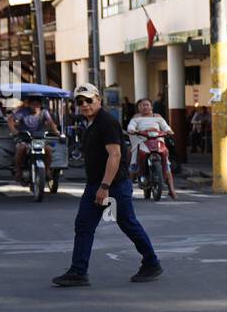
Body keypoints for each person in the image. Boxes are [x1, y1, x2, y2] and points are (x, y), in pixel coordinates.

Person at [52, 83, 161, 287]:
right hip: (96, 184)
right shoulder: (91, 123)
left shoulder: (106, 122)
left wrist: (104, 187)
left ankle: (152, 262)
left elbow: (116, 154)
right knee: (84, 225)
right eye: (80, 101)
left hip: (112, 186)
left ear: (98, 100)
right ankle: (78, 271)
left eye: (89, 100)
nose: (84, 105)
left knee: (128, 224)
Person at [126, 97, 177, 199]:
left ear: (151, 107)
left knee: (166, 163)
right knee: (133, 163)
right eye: (141, 105)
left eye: (146, 105)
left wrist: (169, 131)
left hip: (157, 140)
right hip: (142, 141)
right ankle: (128, 190)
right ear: (138, 108)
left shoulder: (158, 117)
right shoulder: (136, 117)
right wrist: (132, 130)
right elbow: (131, 126)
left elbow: (165, 127)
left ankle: (171, 190)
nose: (144, 107)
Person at [6, 93, 60, 180]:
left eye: (37, 104)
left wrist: (56, 131)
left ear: (40, 105)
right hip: (24, 138)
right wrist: (14, 131)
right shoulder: (23, 111)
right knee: (21, 149)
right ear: (29, 104)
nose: (35, 106)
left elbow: (51, 122)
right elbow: (10, 120)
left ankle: (47, 170)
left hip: (39, 138)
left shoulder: (44, 112)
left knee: (48, 150)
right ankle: (19, 170)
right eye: (33, 104)